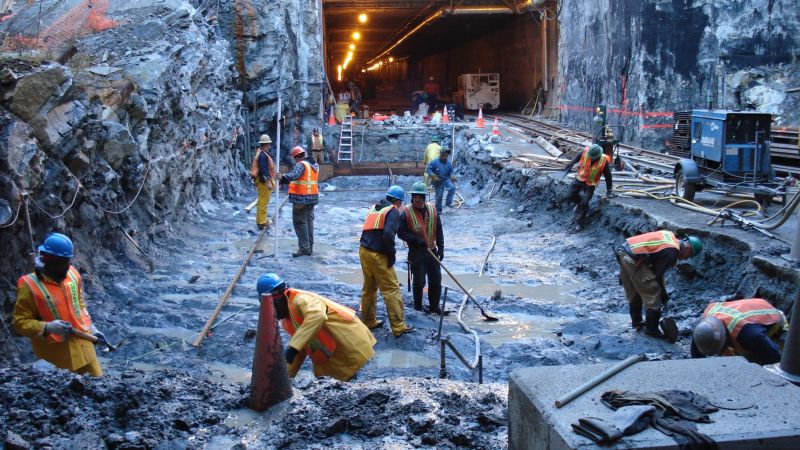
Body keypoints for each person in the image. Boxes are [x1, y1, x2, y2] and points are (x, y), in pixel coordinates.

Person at [12, 233, 106, 376]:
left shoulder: (73, 274)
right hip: (57, 359)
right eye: (62, 262)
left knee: (99, 387)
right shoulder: (29, 285)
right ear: (47, 259)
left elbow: (79, 305)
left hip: (84, 347)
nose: (67, 266)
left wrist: (92, 329)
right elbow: (20, 323)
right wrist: (48, 327)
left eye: (68, 261)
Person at [256, 273, 376, 381]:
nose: (272, 313)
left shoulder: (301, 299)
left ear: (277, 300)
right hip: (337, 357)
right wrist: (284, 379)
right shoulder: (288, 320)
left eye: (270, 308)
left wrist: (293, 347)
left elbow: (317, 315)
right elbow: (300, 347)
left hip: (352, 345)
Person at [614, 230, 703, 340]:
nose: (686, 259)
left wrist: (663, 290)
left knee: (637, 289)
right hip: (632, 258)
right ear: (688, 248)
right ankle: (652, 330)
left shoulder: (669, 237)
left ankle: (637, 322)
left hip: (623, 251)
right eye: (688, 256)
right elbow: (658, 274)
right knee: (653, 290)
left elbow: (655, 268)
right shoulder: (672, 252)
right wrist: (662, 293)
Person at [358, 186, 414, 337]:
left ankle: (368, 321)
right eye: (401, 203)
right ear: (396, 201)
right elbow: (388, 235)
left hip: (364, 251)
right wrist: (392, 255)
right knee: (391, 289)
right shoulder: (392, 211)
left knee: (369, 288)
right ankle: (398, 326)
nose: (401, 206)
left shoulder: (375, 208)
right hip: (377, 255)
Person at [691, 298, 788, 365]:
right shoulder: (703, 328)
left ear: (725, 338)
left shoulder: (751, 335)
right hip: (747, 311)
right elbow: (696, 354)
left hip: (771, 319)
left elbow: (776, 358)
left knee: (751, 361)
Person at [398, 182, 445, 314]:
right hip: (417, 253)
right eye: (415, 197)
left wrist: (441, 247)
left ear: (424, 198)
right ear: (412, 198)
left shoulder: (432, 210)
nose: (417, 200)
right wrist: (415, 240)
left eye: (420, 197)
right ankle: (418, 307)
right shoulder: (406, 213)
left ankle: (434, 306)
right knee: (419, 282)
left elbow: (439, 229)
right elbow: (401, 232)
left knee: (436, 280)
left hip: (432, 250)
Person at [277, 146, 319, 257]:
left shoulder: (302, 164)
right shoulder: (313, 164)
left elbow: (294, 175)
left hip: (302, 198)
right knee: (308, 222)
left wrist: (282, 177)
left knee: (300, 223)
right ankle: (309, 246)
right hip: (312, 197)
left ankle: (304, 249)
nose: (295, 160)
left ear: (297, 156)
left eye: (295, 158)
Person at [562, 144, 613, 232]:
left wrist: (609, 190)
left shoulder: (603, 161)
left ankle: (580, 224)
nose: (591, 158)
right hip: (579, 178)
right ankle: (579, 204)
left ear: (598, 156)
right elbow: (577, 157)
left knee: (584, 202)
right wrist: (570, 164)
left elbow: (608, 176)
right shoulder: (586, 152)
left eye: (593, 157)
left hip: (590, 184)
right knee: (569, 196)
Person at [250, 134, 276, 230]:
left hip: (262, 180)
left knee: (263, 201)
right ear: (266, 144)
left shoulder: (262, 153)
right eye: (268, 143)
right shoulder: (262, 155)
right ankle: (261, 222)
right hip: (263, 181)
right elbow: (264, 169)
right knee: (263, 201)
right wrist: (268, 181)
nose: (269, 145)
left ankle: (262, 220)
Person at [426, 147, 457, 213]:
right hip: (437, 180)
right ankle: (438, 209)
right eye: (444, 156)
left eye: (446, 156)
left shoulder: (448, 164)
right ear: (441, 154)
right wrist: (433, 175)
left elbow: (451, 172)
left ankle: (448, 203)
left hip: (445, 179)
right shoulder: (434, 162)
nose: (445, 157)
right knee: (439, 194)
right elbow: (428, 169)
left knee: (452, 188)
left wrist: (452, 177)